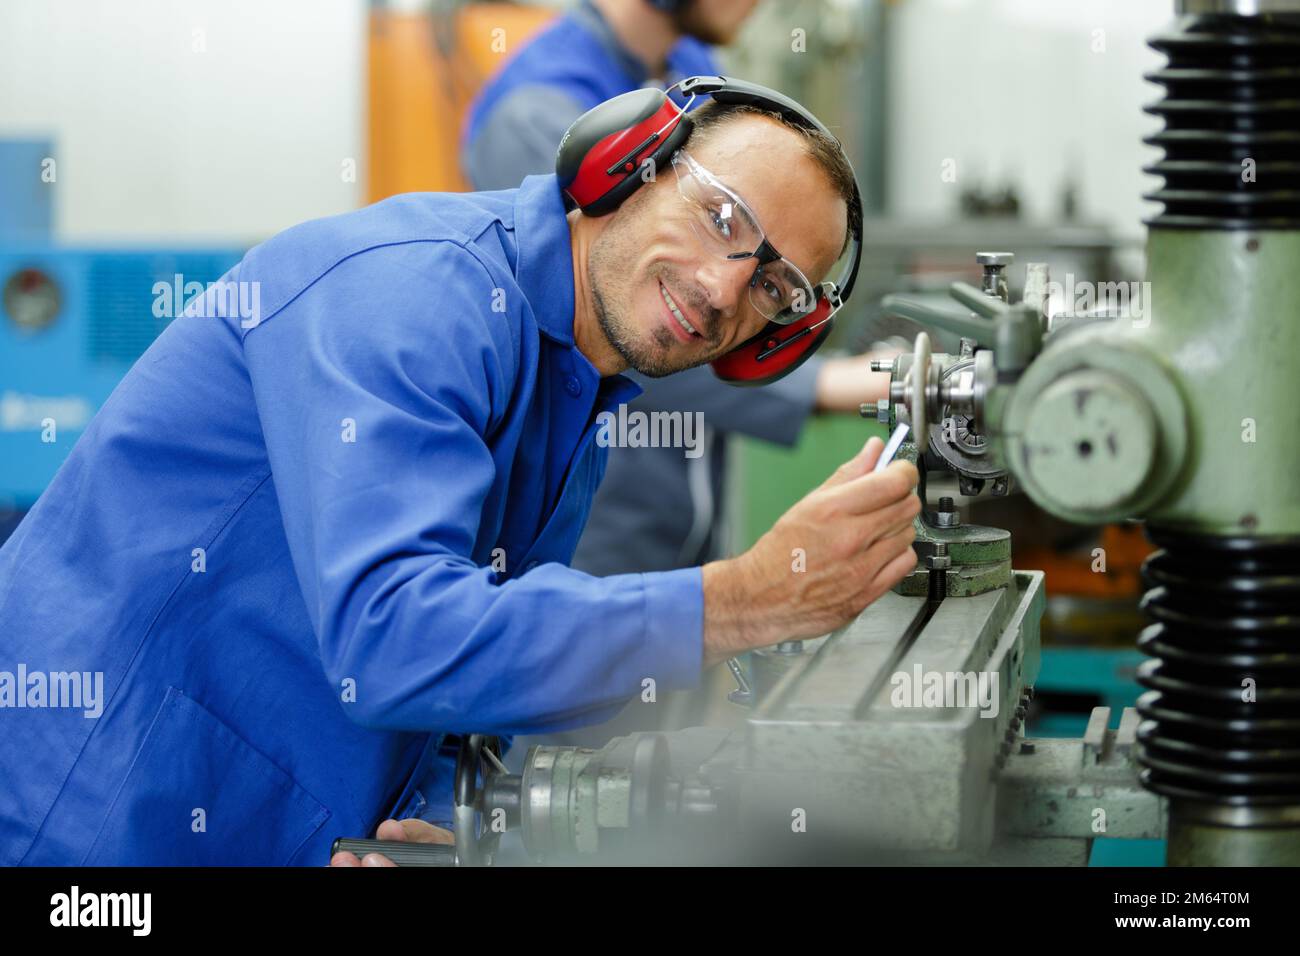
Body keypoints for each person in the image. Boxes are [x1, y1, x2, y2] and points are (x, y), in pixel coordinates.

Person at [0, 80, 919, 867]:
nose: (725, 289)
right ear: (629, 161)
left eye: (774, 289)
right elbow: (392, 636)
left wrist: (426, 823)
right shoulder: (415, 297)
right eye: (722, 218)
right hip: (79, 821)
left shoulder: (577, 390)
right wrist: (744, 602)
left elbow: (464, 676)